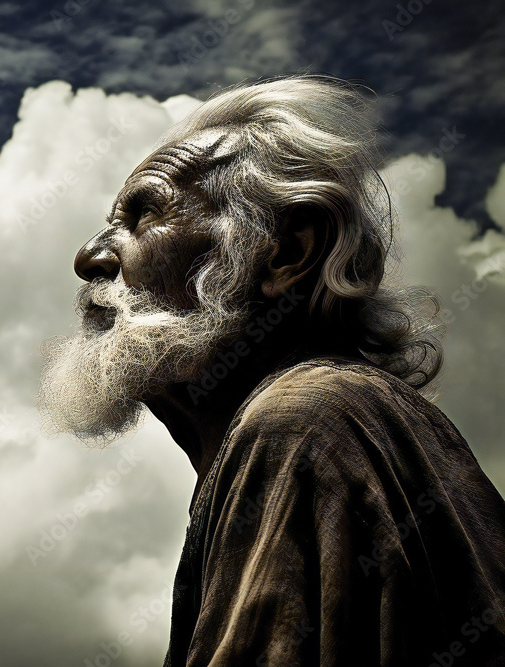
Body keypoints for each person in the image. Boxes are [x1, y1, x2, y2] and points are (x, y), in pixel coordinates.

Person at [38, 74, 505, 666]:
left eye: (144, 215)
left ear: (286, 253)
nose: (91, 257)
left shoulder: (303, 418)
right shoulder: (316, 420)